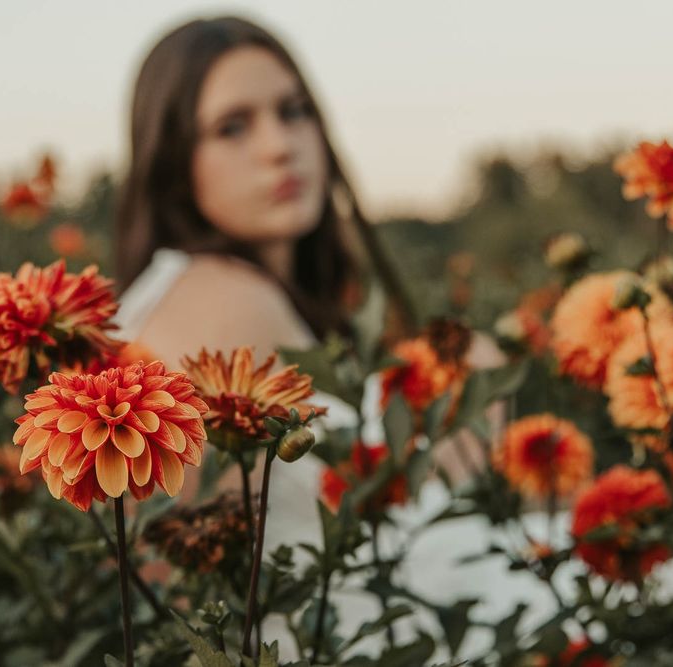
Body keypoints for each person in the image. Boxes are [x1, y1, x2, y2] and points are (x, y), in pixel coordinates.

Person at [113, 16, 511, 661]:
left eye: (294, 112)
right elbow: (377, 492)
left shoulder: (218, 290)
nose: (279, 145)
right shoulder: (226, 295)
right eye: (232, 126)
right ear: (173, 162)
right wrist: (469, 407)